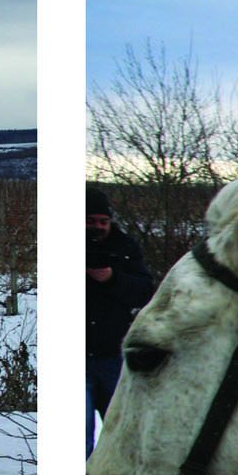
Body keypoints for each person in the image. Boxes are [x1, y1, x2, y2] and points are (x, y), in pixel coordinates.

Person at [84, 183, 157, 448]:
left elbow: (144, 292)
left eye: (103, 221)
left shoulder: (125, 247)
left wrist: (111, 278)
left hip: (113, 357)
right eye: (90, 221)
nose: (98, 227)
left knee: (125, 436)